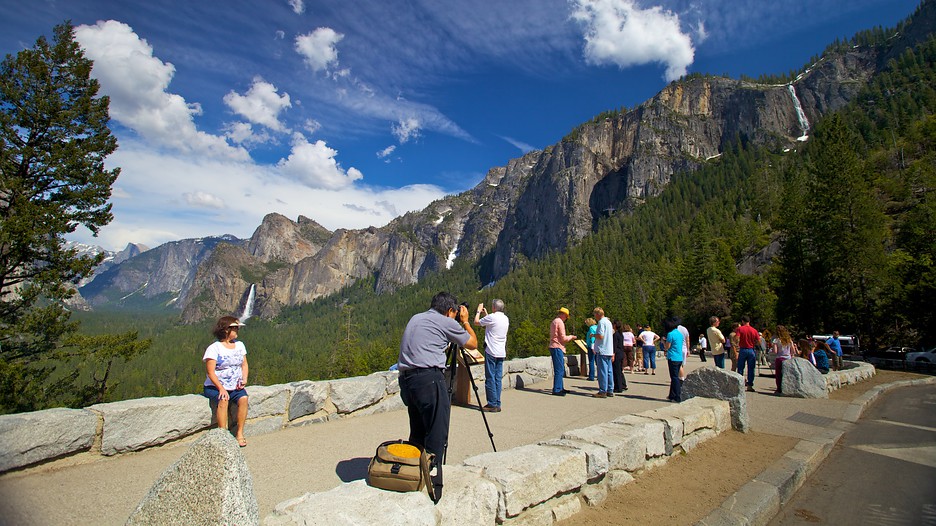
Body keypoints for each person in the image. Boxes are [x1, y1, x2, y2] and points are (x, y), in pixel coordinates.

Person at [398, 291, 478, 501]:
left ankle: (411, 474)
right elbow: (472, 344)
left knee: (417, 431)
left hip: (407, 380)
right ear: (450, 310)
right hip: (428, 378)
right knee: (436, 430)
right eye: (454, 313)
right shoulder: (445, 322)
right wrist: (466, 322)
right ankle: (434, 483)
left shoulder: (416, 317)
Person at [203, 316, 250, 447]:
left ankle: (239, 433)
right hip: (215, 387)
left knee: (244, 399)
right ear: (225, 330)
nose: (237, 331)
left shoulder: (240, 345)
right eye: (235, 328)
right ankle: (223, 435)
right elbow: (210, 372)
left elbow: (244, 364)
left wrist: (244, 378)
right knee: (223, 399)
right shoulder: (214, 348)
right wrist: (221, 388)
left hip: (235, 386)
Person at [474, 299, 509, 413]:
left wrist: (478, 312)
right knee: (497, 378)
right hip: (501, 352)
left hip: (491, 350)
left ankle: (491, 403)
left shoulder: (492, 318)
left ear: (494, 307)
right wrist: (487, 314)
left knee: (490, 378)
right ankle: (497, 403)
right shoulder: (505, 318)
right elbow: (492, 324)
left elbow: (476, 322)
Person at [549, 307, 577, 396]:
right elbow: (563, 338)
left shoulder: (554, 321)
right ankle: (557, 389)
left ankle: (560, 387)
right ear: (564, 315)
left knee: (559, 368)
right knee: (559, 369)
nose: (566, 319)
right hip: (557, 347)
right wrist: (571, 337)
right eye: (566, 317)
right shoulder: (560, 322)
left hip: (554, 346)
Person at [592, 308, 615, 398]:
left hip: (602, 349)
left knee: (602, 371)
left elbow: (600, 336)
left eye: (595, 314)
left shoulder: (601, 322)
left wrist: (594, 335)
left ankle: (602, 390)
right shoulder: (608, 322)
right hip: (609, 349)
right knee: (609, 371)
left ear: (598, 314)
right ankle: (610, 389)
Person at [736, 316, 760, 392]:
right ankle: (750, 385)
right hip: (751, 350)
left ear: (743, 321)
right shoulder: (754, 330)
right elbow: (759, 341)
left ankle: (740, 384)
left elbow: (737, 338)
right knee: (751, 368)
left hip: (743, 349)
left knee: (740, 367)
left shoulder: (740, 329)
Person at [663, 317, 685, 402]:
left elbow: (667, 347)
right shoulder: (679, 334)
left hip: (672, 357)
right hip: (679, 357)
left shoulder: (670, 334)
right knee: (674, 377)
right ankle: (672, 395)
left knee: (674, 377)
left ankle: (678, 396)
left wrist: (663, 342)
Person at [772, 325, 796, 394]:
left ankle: (779, 389)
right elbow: (793, 351)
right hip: (788, 358)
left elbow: (775, 351)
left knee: (779, 375)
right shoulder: (789, 340)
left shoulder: (776, 340)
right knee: (787, 374)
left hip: (780, 358)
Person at [612, 319, 629, 393]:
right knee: (619, 370)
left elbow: (614, 346)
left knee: (616, 371)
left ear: (615, 325)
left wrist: (613, 354)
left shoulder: (615, 335)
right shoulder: (620, 334)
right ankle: (623, 384)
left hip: (617, 353)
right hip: (621, 352)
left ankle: (618, 387)